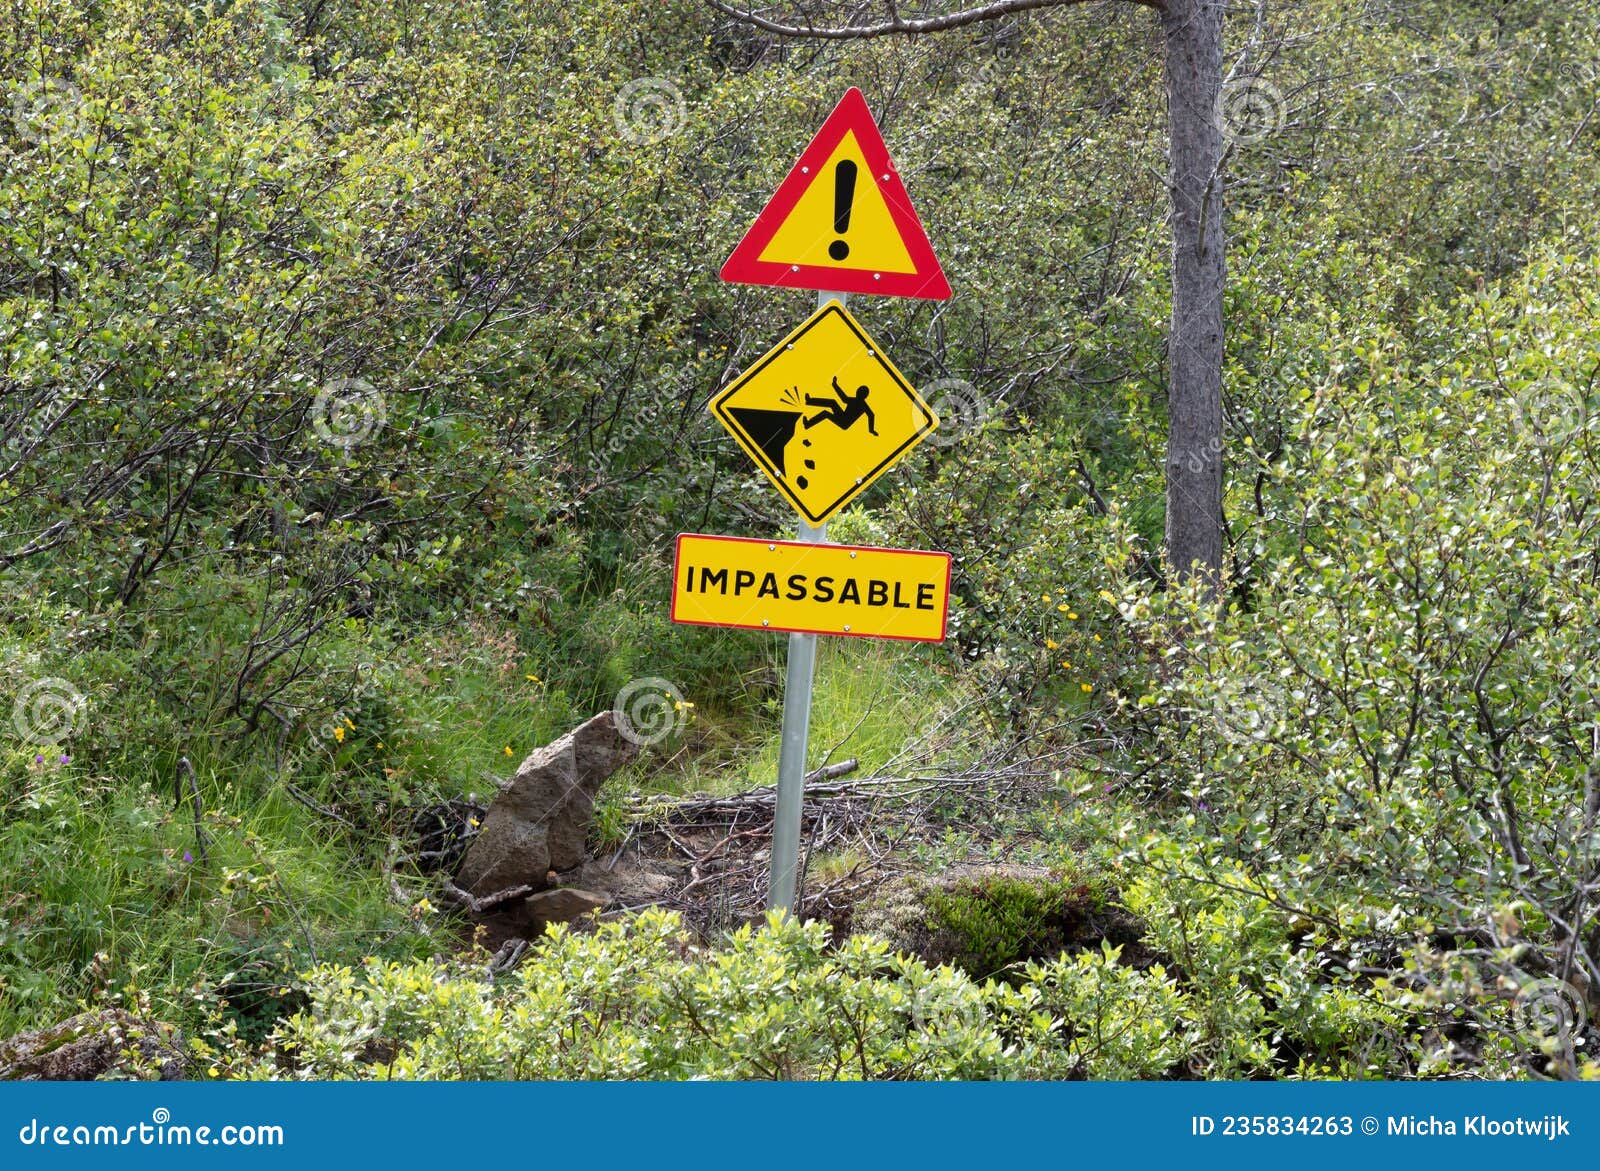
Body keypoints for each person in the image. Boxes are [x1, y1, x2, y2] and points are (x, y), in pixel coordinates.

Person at [805, 377, 878, 436]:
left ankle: (808, 423)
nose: (857, 391)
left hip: (844, 422)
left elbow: (871, 415)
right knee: (832, 402)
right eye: (858, 390)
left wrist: (871, 430)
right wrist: (835, 384)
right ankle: (809, 401)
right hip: (842, 416)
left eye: (859, 391)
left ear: (863, 395)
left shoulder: (862, 404)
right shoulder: (856, 401)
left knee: (825, 413)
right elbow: (844, 398)